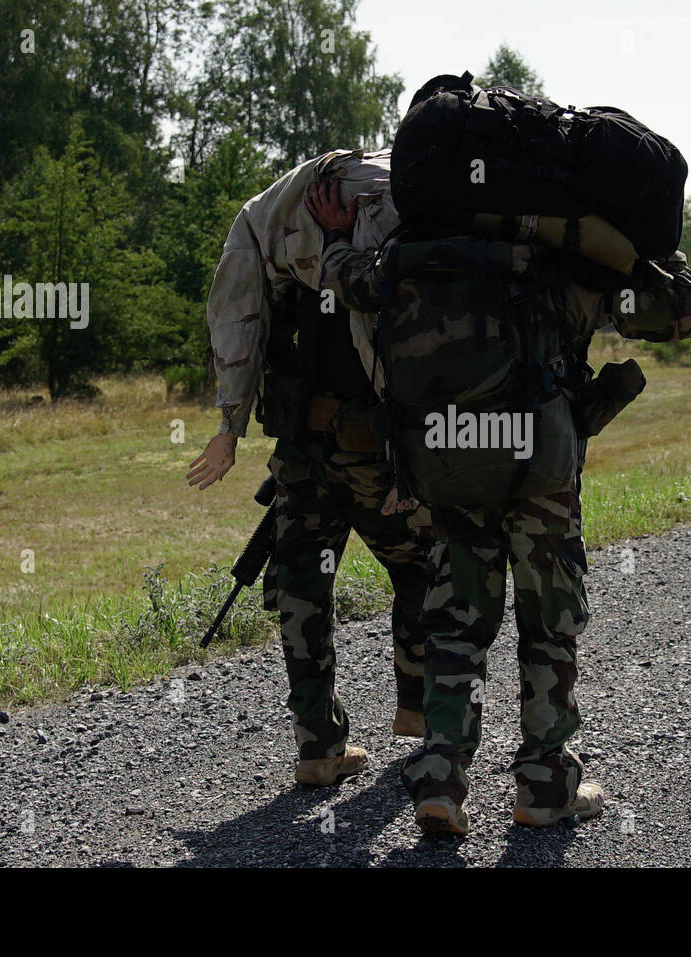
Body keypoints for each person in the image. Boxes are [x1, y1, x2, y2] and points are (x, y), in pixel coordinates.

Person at [307, 180, 691, 832]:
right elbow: (677, 316)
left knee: (457, 620)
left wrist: (332, 235)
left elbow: (347, 282)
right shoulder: (562, 247)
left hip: (451, 461)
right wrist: (661, 245)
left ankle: (441, 777)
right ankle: (544, 786)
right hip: (539, 464)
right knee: (549, 620)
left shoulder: (415, 248)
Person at [187, 149, 432, 788]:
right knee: (419, 568)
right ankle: (417, 706)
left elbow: (244, 323)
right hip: (365, 458)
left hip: (301, 455)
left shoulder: (284, 256)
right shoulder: (365, 259)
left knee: (302, 593)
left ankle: (319, 748)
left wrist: (230, 427)